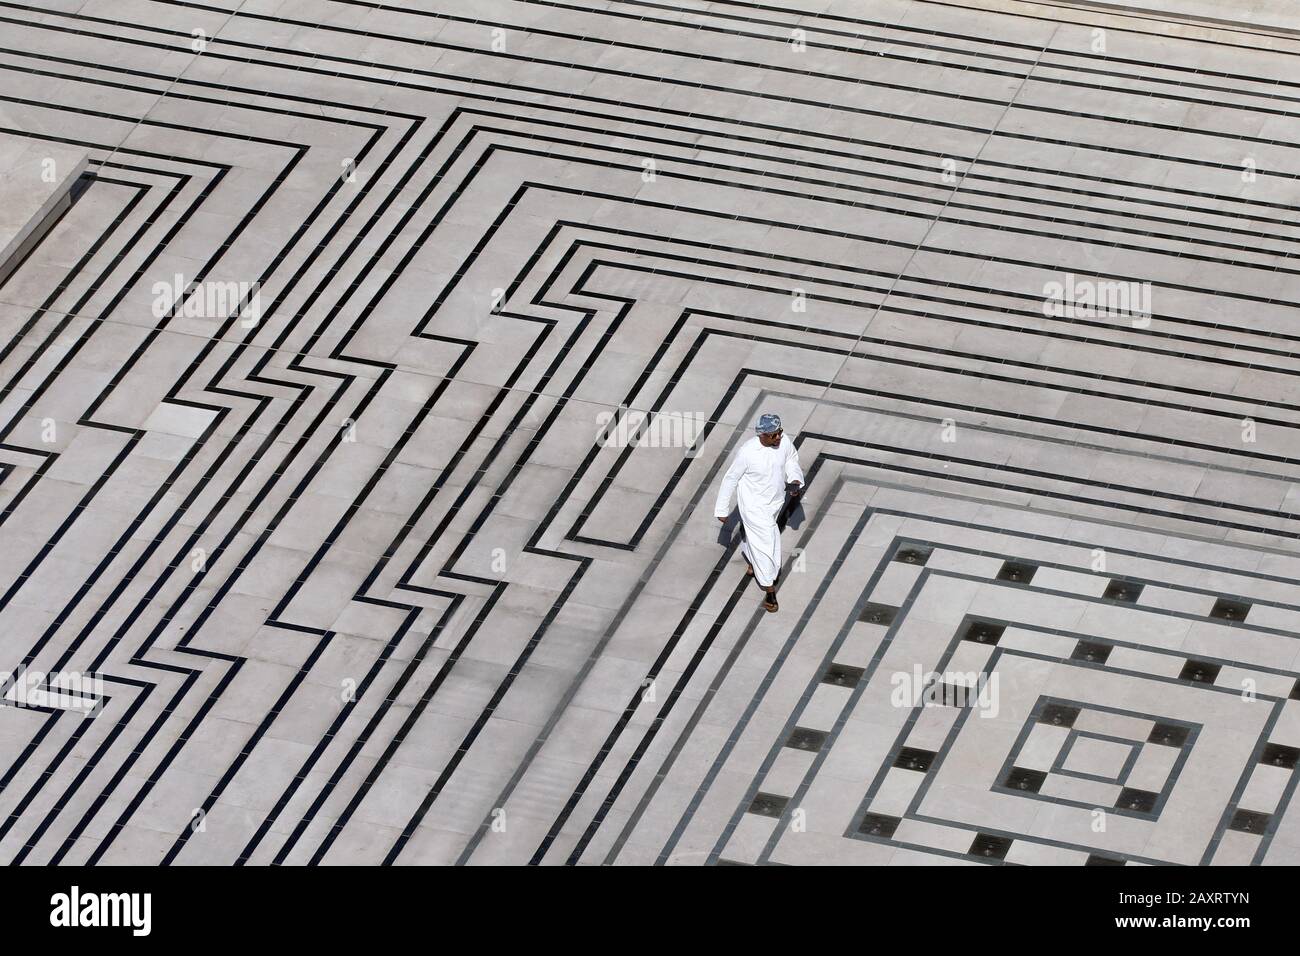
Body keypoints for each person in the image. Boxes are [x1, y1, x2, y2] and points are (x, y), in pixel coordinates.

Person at [714, 413, 804, 613]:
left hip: (774, 502)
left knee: (758, 539)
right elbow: (731, 478)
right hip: (754, 507)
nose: (778, 437)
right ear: (762, 435)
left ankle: (752, 561)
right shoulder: (748, 452)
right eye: (773, 435)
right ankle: (769, 588)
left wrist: (795, 479)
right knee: (767, 545)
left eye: (779, 432)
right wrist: (721, 509)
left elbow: (790, 459)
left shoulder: (783, 441)